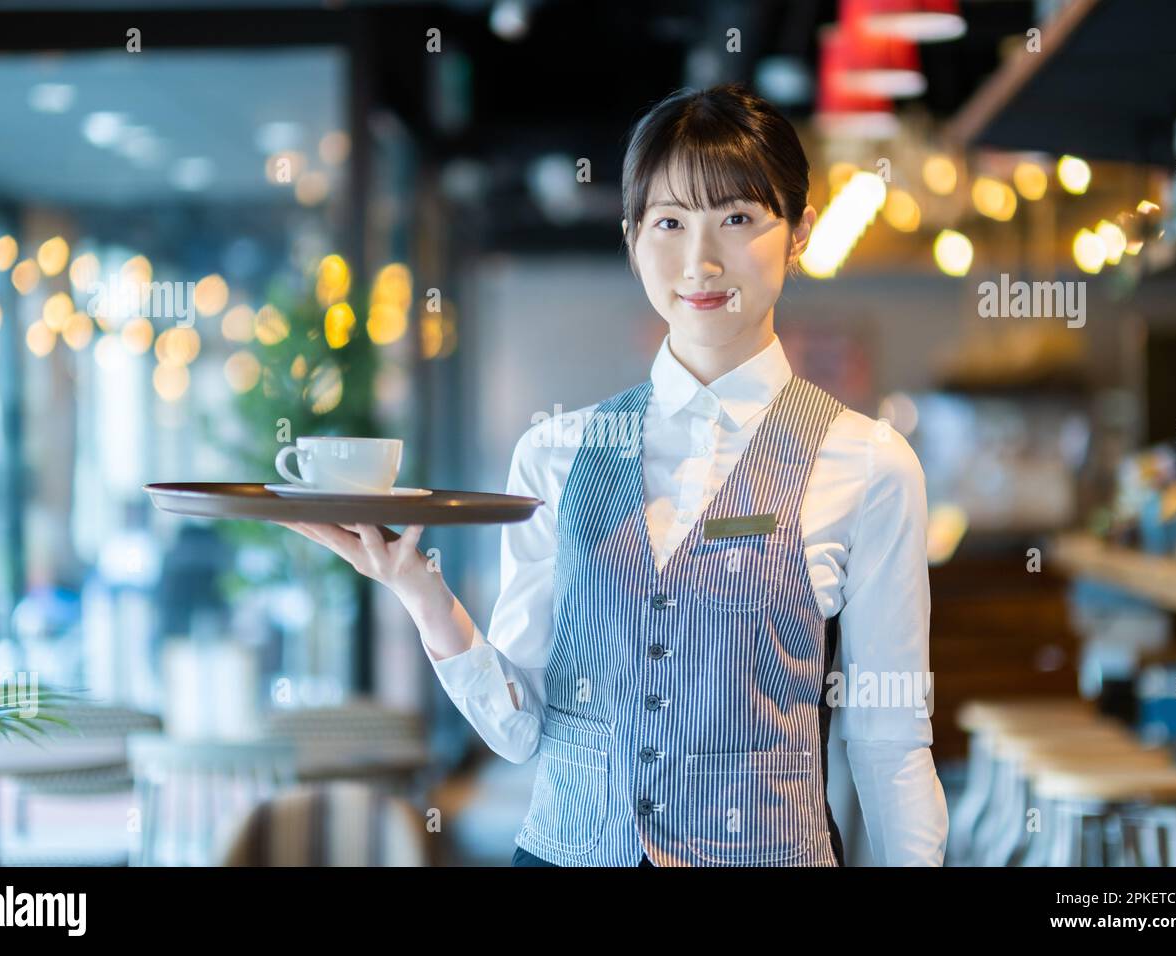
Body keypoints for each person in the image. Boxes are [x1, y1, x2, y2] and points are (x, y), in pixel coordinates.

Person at [280, 82, 949, 867]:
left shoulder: (866, 463)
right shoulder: (555, 454)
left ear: (799, 231)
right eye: (667, 222)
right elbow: (520, 730)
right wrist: (417, 588)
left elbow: (889, 737)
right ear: (632, 237)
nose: (700, 260)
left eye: (737, 218)